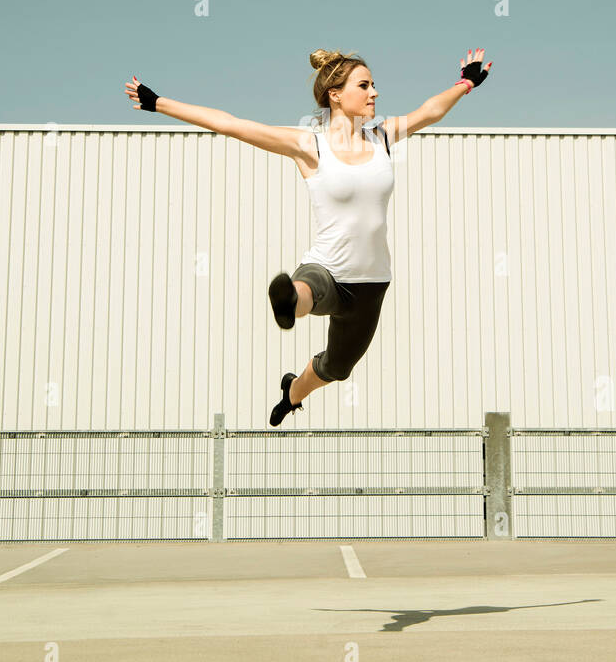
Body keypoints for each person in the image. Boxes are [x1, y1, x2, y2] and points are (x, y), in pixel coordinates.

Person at [124, 47, 491, 425]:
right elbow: (231, 123)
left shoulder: (381, 136)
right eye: (364, 86)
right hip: (327, 268)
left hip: (372, 283)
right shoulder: (309, 145)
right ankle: (288, 301)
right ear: (336, 94)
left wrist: (466, 83)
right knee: (307, 287)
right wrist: (159, 103)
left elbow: (430, 111)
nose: (374, 93)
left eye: (374, 85)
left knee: (337, 368)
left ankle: (293, 392)